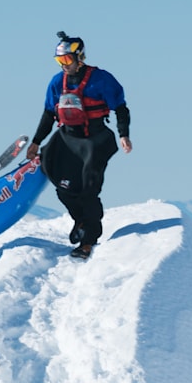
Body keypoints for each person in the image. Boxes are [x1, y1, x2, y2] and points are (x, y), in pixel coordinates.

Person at [25, 31, 132, 259]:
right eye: (59, 61)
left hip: (95, 140)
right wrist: (36, 142)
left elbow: (121, 109)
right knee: (62, 186)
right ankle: (80, 220)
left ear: (79, 57)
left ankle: (88, 240)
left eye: (67, 60)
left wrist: (124, 135)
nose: (64, 65)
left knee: (89, 190)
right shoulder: (57, 83)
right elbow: (48, 113)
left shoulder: (101, 79)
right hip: (67, 139)